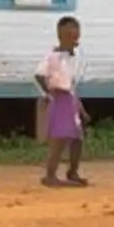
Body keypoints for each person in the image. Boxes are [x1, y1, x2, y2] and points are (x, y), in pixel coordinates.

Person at [35, 16, 91, 188]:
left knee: (77, 138)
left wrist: (80, 108)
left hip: (70, 99)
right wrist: (49, 93)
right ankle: (50, 175)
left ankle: (72, 171)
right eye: (70, 37)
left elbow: (72, 85)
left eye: (76, 37)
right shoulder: (53, 57)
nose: (74, 41)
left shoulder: (71, 59)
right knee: (59, 139)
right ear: (60, 36)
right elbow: (39, 75)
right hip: (59, 98)